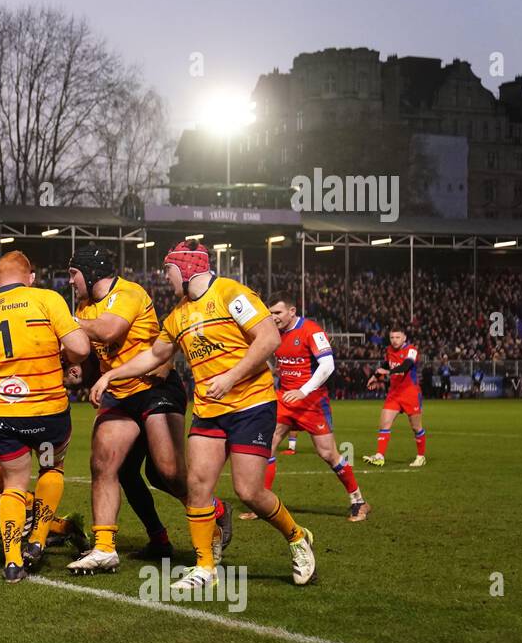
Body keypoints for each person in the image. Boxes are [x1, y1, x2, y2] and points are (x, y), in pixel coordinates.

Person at [95, 240, 316, 590]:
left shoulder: (231, 293)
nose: (164, 277)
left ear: (185, 269)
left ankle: (296, 537)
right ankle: (206, 566)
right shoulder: (178, 315)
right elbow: (154, 355)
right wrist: (111, 374)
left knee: (249, 491)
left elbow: (269, 337)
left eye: (167, 270)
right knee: (197, 486)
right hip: (210, 409)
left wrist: (230, 377)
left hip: (251, 404)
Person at [66, 245, 230, 574]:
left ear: (91, 271)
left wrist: (63, 322)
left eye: (73, 273)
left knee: (165, 471)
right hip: (121, 394)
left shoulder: (127, 291)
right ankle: (106, 547)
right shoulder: (84, 308)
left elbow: (110, 330)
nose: (70, 281)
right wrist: (74, 373)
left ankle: (215, 511)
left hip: (155, 388)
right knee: (106, 466)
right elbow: (97, 359)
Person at [0, 251, 91, 582]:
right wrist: (61, 359)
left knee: (15, 485)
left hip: (6, 417)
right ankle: (37, 540)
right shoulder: (46, 299)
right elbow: (81, 348)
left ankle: (12, 562)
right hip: (48, 412)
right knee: (51, 467)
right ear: (30, 277)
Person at [242, 294, 369, 522]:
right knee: (267, 447)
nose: (273, 317)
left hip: (312, 403)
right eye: (270, 313)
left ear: (292, 311)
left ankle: (359, 501)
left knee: (328, 453)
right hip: (284, 400)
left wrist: (304, 390)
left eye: (278, 313)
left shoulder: (311, 330)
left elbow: (328, 365)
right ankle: (262, 503)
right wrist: (273, 369)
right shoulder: (274, 332)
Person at [363, 327, 426, 467]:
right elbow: (387, 363)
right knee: (384, 423)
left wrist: (386, 372)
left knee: (416, 427)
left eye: (397, 337)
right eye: (392, 337)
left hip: (410, 393)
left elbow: (405, 366)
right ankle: (379, 456)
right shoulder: (389, 350)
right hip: (394, 394)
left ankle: (421, 457)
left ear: (404, 337)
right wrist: (375, 376)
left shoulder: (411, 350)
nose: (394, 340)